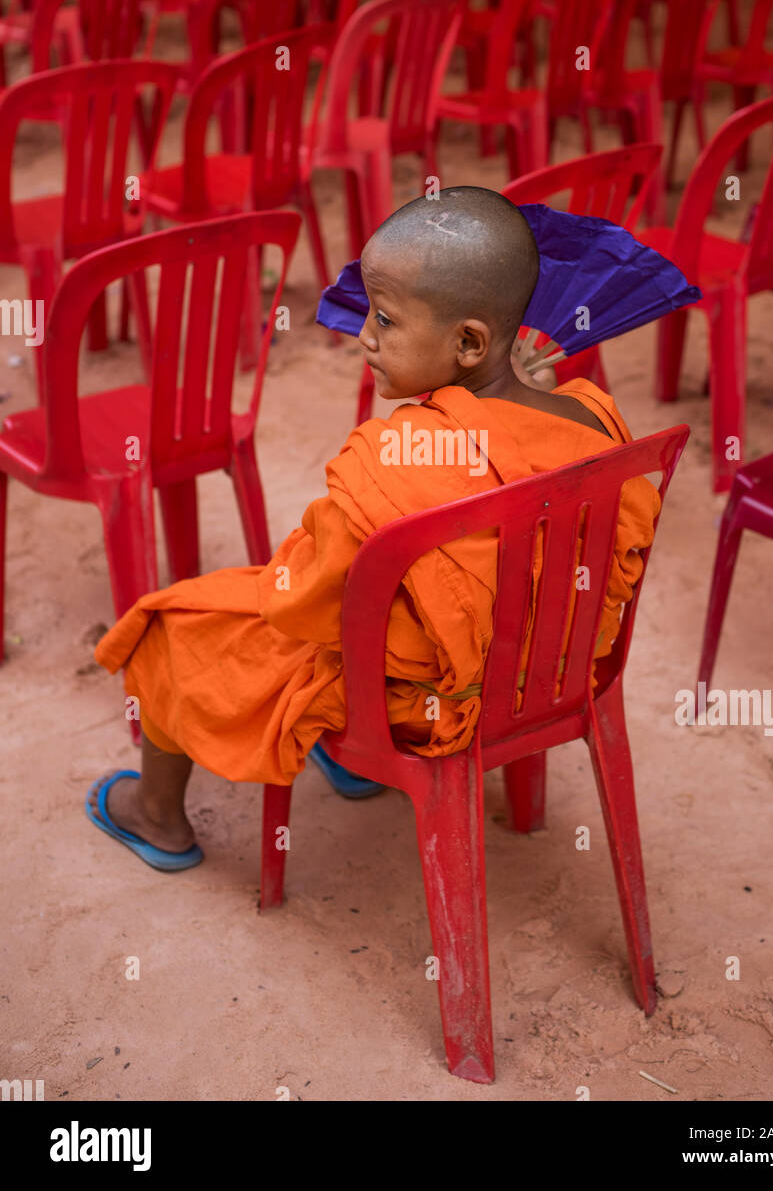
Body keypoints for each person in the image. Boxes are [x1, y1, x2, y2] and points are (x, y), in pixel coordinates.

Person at [88, 187, 660, 871]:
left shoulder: (397, 457)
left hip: (431, 704)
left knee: (176, 622)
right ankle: (351, 759)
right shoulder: (592, 413)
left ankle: (155, 815)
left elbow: (300, 602)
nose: (364, 337)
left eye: (385, 320)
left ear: (469, 342)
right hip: (552, 676)